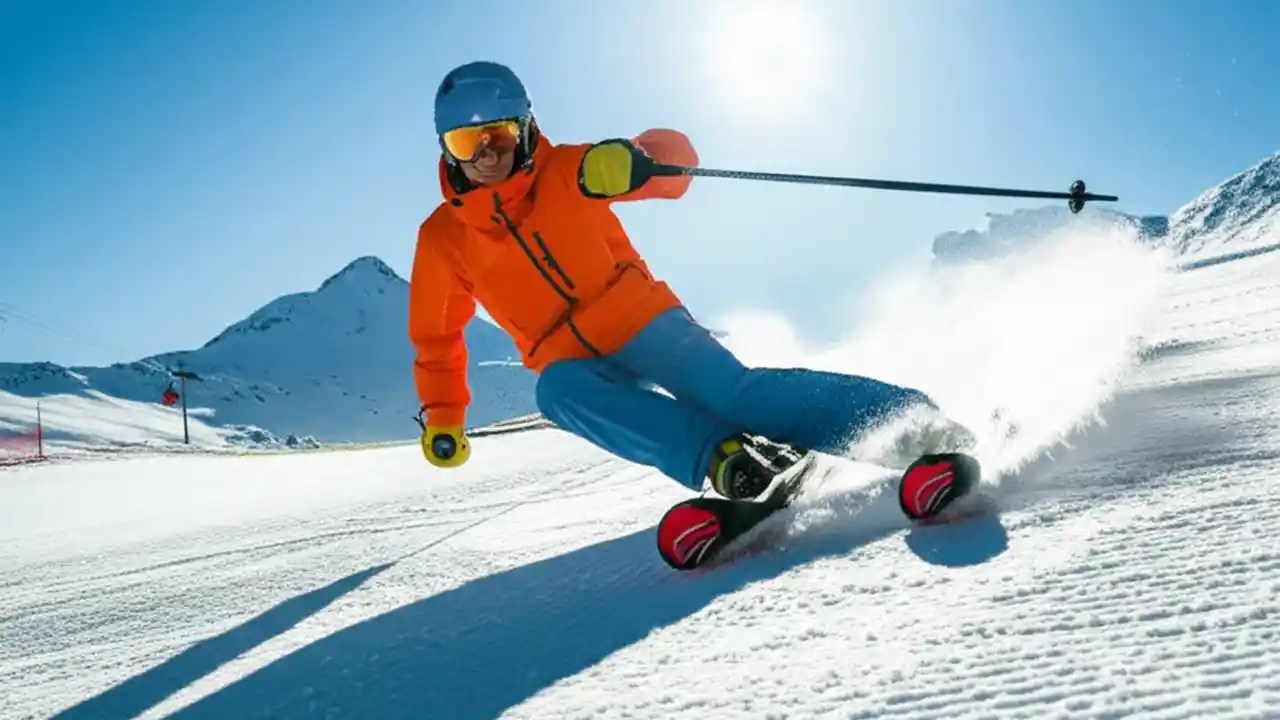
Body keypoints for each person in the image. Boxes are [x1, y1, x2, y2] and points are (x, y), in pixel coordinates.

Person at [409, 60, 965, 501]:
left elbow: (680, 166)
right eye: (466, 143)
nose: (486, 157)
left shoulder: (569, 169)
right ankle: (726, 461)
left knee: (732, 394)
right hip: (570, 360)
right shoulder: (443, 238)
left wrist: (640, 158)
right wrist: (443, 415)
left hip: (643, 319)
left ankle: (910, 424)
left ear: (526, 130)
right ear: (446, 148)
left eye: (499, 137)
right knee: (556, 393)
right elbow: (436, 336)